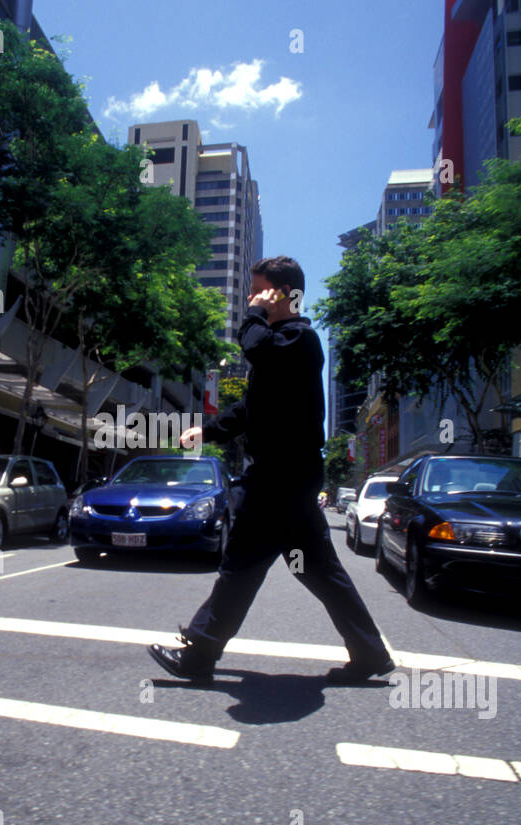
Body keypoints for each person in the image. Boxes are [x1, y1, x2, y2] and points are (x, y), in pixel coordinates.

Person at [147, 256, 394, 685]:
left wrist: (256, 314)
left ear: (282, 293)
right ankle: (370, 653)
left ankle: (200, 654)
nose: (251, 298)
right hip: (290, 478)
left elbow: (254, 345)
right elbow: (251, 409)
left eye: (259, 290)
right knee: (317, 569)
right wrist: (206, 431)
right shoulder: (281, 346)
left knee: (241, 564)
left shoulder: (297, 340)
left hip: (280, 476)